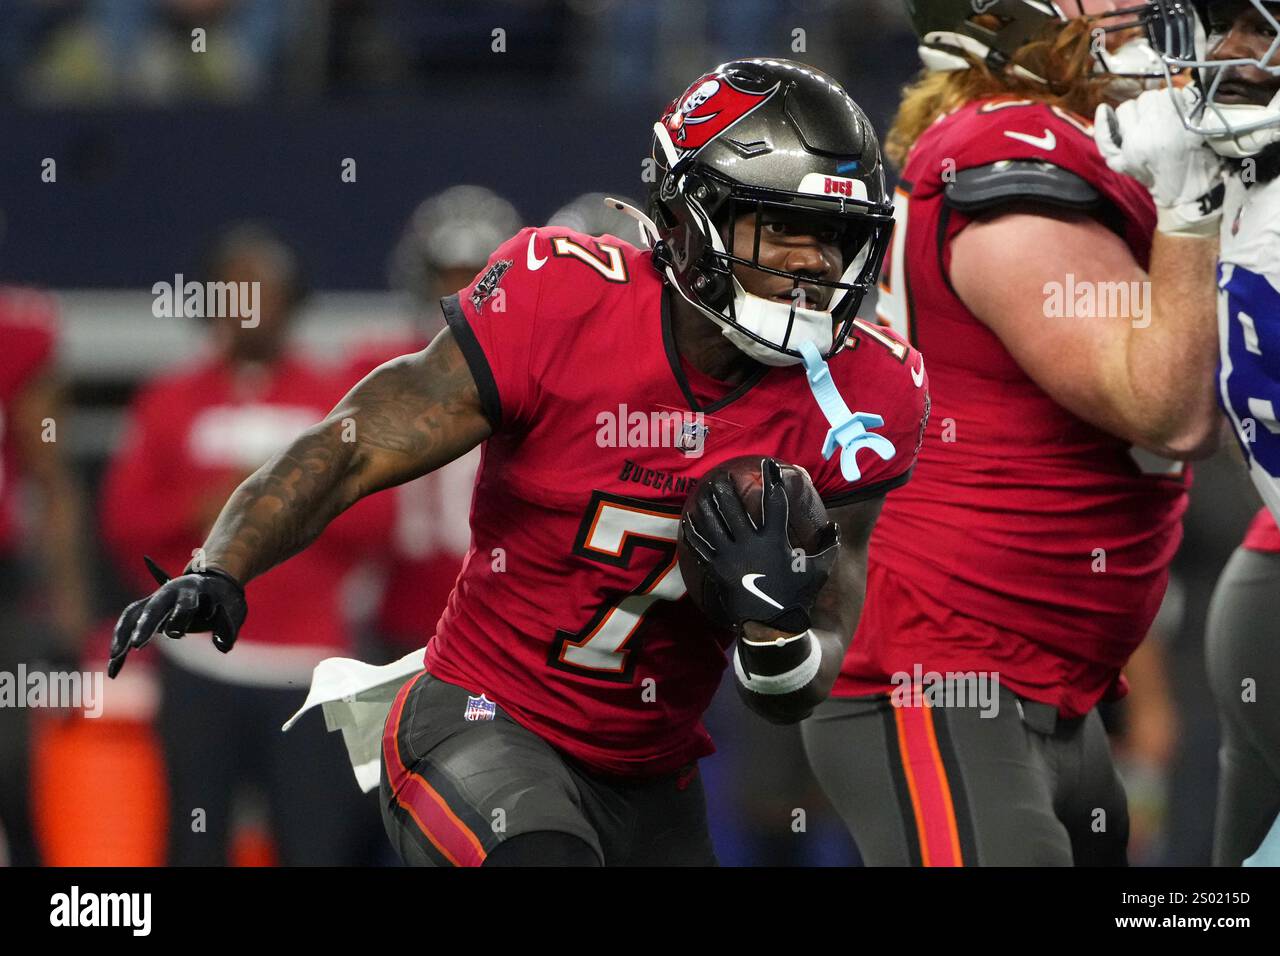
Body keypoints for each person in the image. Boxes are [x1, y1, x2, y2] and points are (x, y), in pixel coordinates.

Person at [107, 58, 929, 866]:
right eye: (786, 228)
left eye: (837, 237)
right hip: (483, 717)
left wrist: (775, 632)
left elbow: (805, 674)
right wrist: (224, 563)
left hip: (651, 773)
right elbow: (355, 443)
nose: (818, 263)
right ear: (693, 217)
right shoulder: (563, 300)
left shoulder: (866, 392)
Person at [801, 0, 1222, 866]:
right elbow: (1165, 407)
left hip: (1052, 688)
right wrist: (1192, 205)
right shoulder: (1013, 150)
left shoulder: (1081, 141)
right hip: (942, 674)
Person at [101, 222, 392, 865]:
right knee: (193, 844)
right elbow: (124, 520)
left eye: (264, 290)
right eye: (234, 292)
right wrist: (200, 506)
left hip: (307, 668)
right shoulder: (170, 400)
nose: (250, 306)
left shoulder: (334, 399)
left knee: (317, 845)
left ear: (293, 300)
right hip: (199, 663)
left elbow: (380, 522)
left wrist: (288, 504)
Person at [1102, 0, 1280, 866]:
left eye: (1271, 27)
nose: (1235, 54)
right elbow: (1169, 413)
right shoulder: (1227, 171)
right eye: (1221, 23)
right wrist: (1180, 207)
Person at [347, 187, 522, 651]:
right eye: (447, 275)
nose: (459, 293)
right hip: (393, 617)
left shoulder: (531, 373)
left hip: (500, 619)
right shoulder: (378, 367)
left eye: (475, 276)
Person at [0, 286, 91, 866]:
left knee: (13, 774)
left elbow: (52, 476)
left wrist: (68, 611)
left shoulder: (17, 332)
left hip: (4, 590)